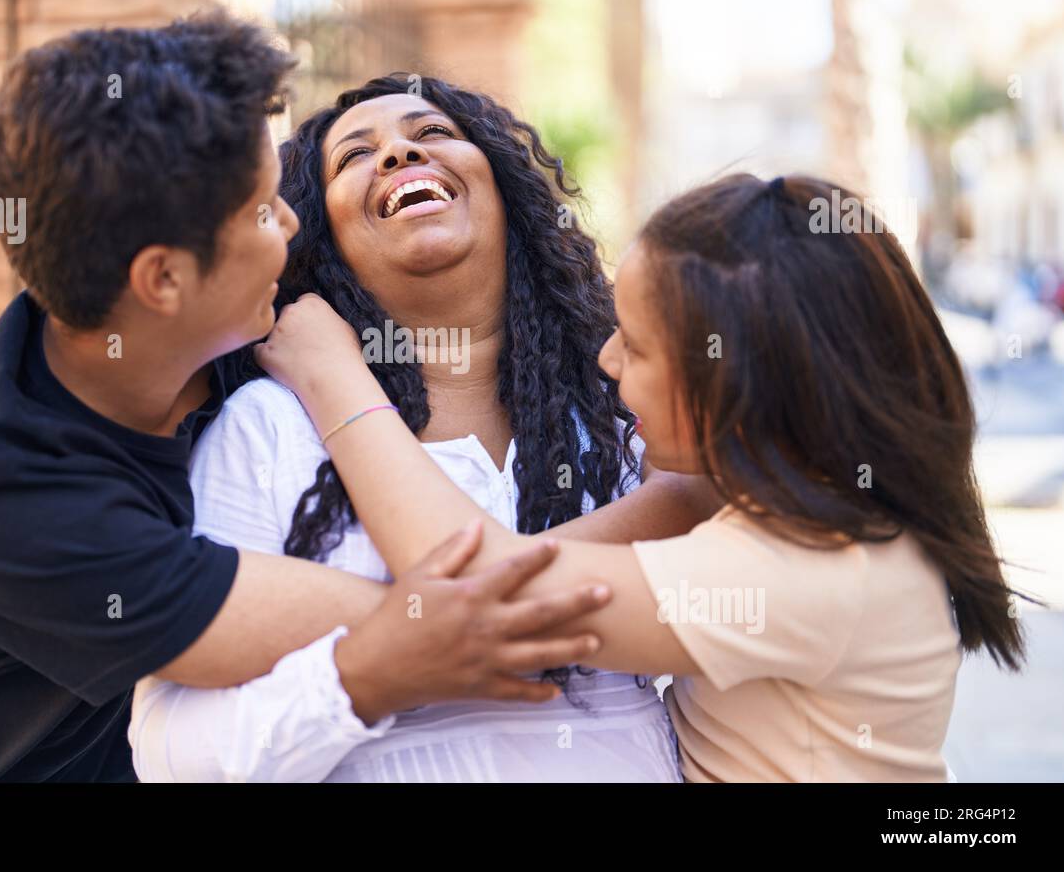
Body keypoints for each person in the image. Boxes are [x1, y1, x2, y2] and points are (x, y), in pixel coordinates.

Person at [0, 16, 613, 782]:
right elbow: (455, 617)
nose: (289, 223)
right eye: (259, 210)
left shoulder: (195, 347)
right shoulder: (20, 500)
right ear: (164, 279)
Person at [254, 171, 1029, 781]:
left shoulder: (808, 562)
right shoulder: (807, 511)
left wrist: (340, 383)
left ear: (738, 379)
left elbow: (489, 589)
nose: (607, 359)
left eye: (639, 345)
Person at [130, 76, 718, 782]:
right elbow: (169, 751)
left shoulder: (627, 416)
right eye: (354, 156)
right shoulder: (269, 431)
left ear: (506, 190)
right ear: (321, 235)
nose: (400, 153)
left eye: (432, 134)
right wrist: (364, 679)